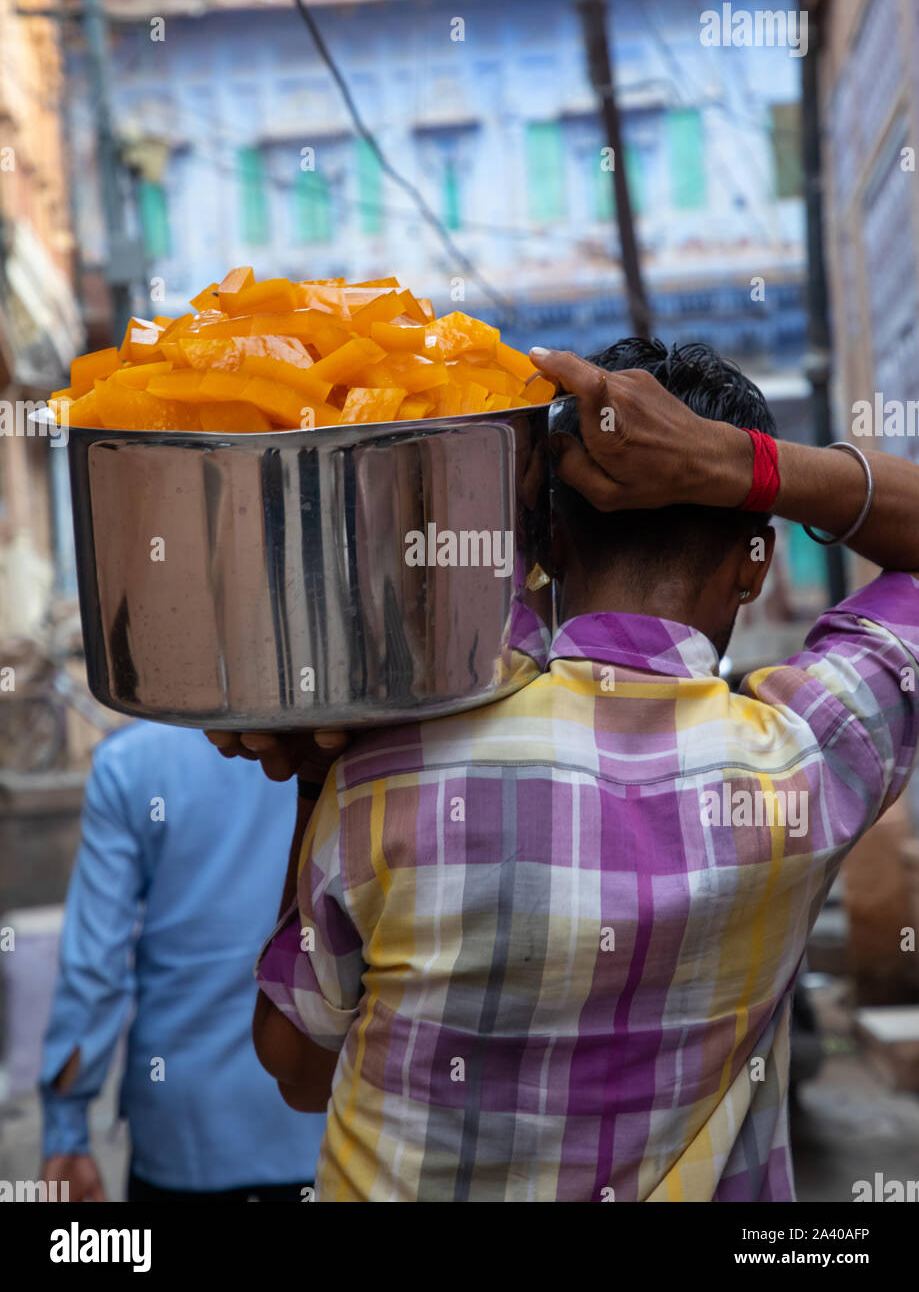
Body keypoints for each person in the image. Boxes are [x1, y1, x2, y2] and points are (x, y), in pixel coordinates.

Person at [216, 338, 919, 1202]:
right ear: (753, 562)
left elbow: (295, 1070)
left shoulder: (387, 767)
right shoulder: (805, 762)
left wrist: (320, 766)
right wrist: (745, 466)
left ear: (547, 540)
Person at [39, 722, 325, 1202]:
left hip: (184, 1131)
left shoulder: (131, 762)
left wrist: (66, 1133)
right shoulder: (341, 743)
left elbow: (95, 971)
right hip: (322, 1115)